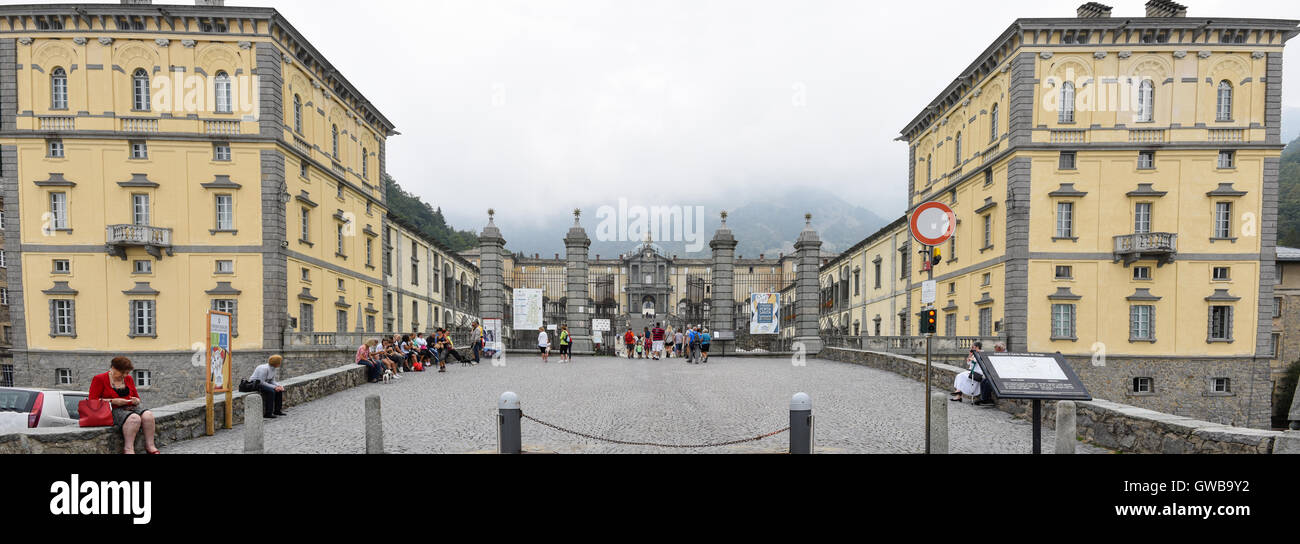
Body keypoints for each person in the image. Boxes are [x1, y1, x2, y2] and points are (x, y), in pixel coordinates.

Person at [89, 357, 159, 454]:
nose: (125, 375)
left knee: (148, 415)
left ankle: (150, 446)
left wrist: (136, 401)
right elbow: (92, 401)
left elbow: (137, 397)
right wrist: (113, 401)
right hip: (111, 410)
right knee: (134, 418)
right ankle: (128, 449)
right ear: (113, 368)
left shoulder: (128, 379)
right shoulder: (99, 379)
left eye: (127, 373)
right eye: (122, 372)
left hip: (130, 407)